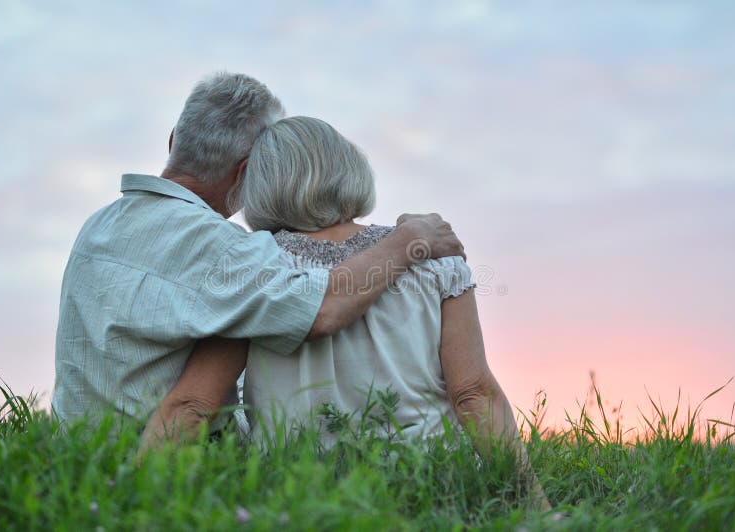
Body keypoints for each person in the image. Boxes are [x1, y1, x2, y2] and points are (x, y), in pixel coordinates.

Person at [142, 116, 551, 510]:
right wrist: (535, 504)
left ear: (258, 187)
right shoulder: (434, 259)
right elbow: (473, 394)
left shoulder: (252, 272)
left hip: (297, 500)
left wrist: (128, 497)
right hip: (433, 486)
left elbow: (193, 403)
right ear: (349, 169)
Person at [52, 73, 464, 427]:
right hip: (165, 460)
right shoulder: (219, 245)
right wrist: (410, 239)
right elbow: (323, 308)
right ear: (249, 172)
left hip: (76, 459)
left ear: (174, 139)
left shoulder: (98, 225)